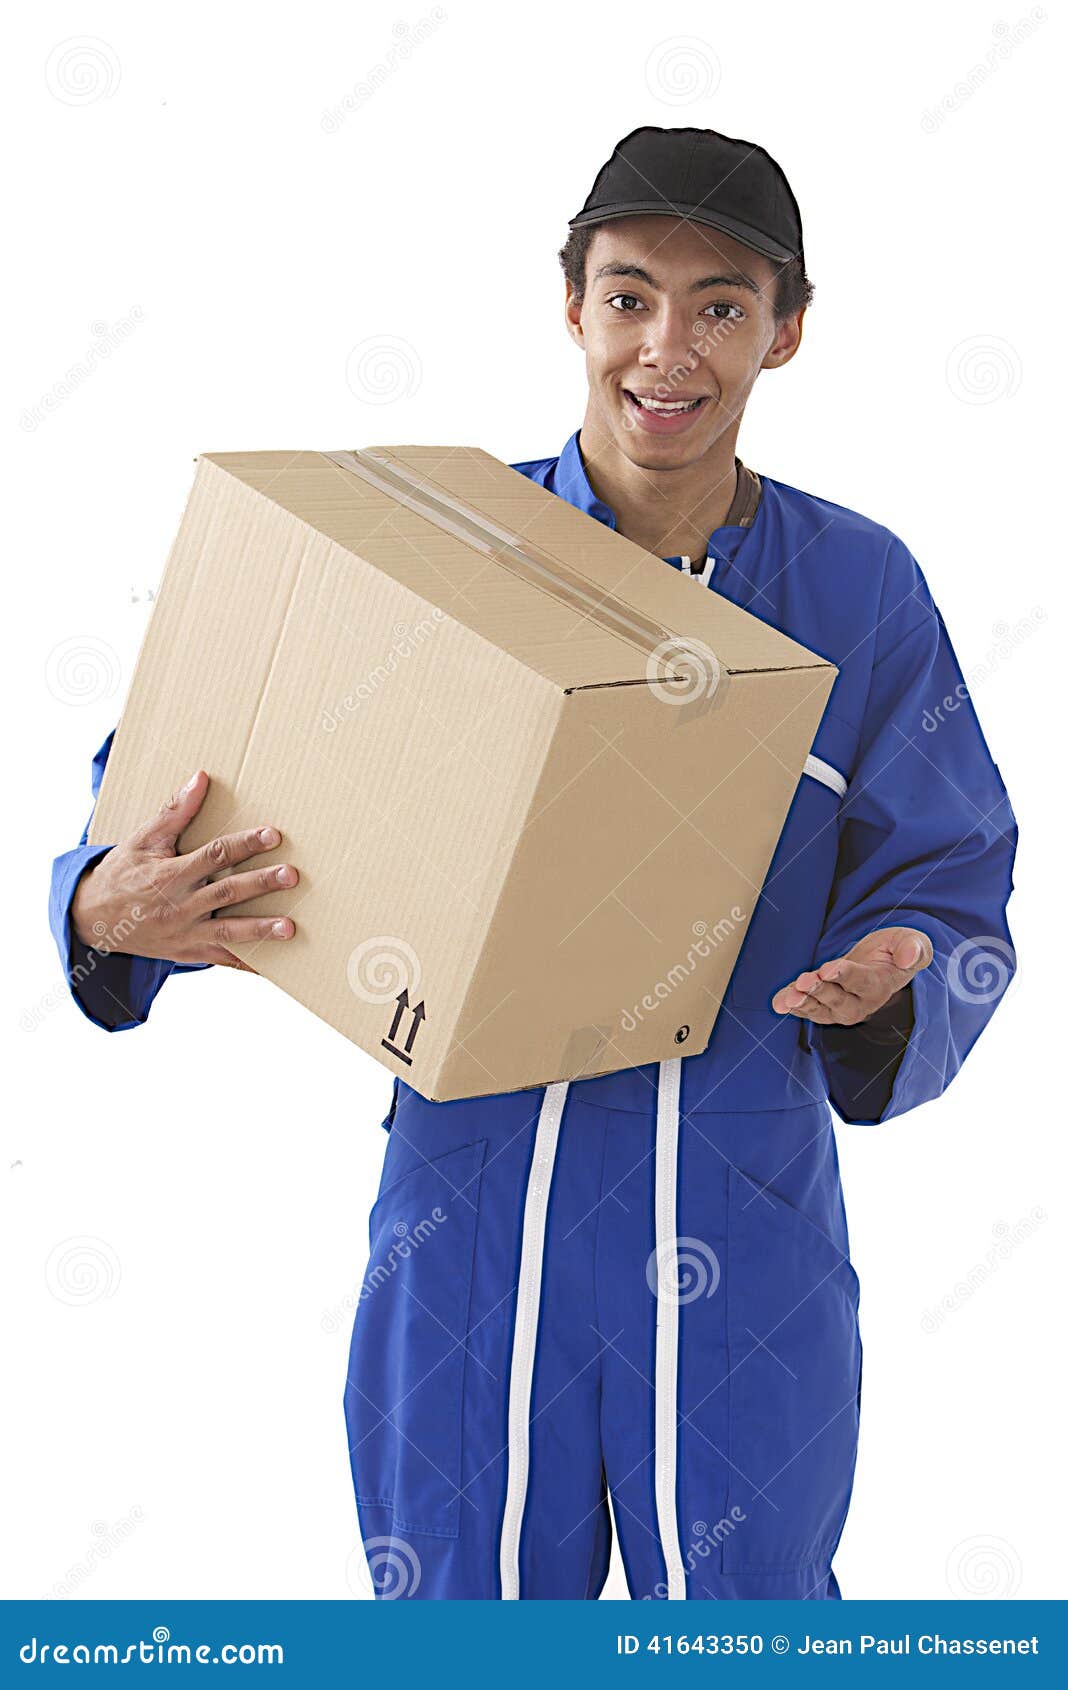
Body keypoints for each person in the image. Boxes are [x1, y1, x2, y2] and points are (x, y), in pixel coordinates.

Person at [50, 126, 1018, 1601]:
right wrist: (96, 901)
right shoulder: (447, 548)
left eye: (720, 306)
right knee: (463, 1636)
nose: (666, 349)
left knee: (751, 1641)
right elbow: (191, 754)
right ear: (572, 306)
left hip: (739, 1231)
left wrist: (903, 983)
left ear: (786, 332)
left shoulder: (859, 591)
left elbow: (946, 879)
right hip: (471, 1225)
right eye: (629, 297)